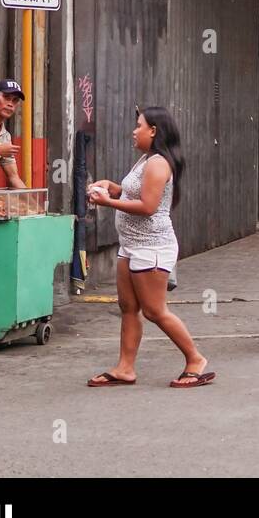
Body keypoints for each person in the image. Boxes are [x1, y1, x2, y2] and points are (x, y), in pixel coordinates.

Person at [87, 107, 213, 388]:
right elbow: (133, 193)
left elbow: (147, 207)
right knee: (128, 307)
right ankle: (125, 368)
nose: (134, 131)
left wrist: (108, 202)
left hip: (152, 247)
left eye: (139, 125)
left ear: (153, 131)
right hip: (131, 245)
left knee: (155, 311)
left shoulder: (158, 163)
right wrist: (112, 187)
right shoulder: (146, 159)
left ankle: (195, 359)